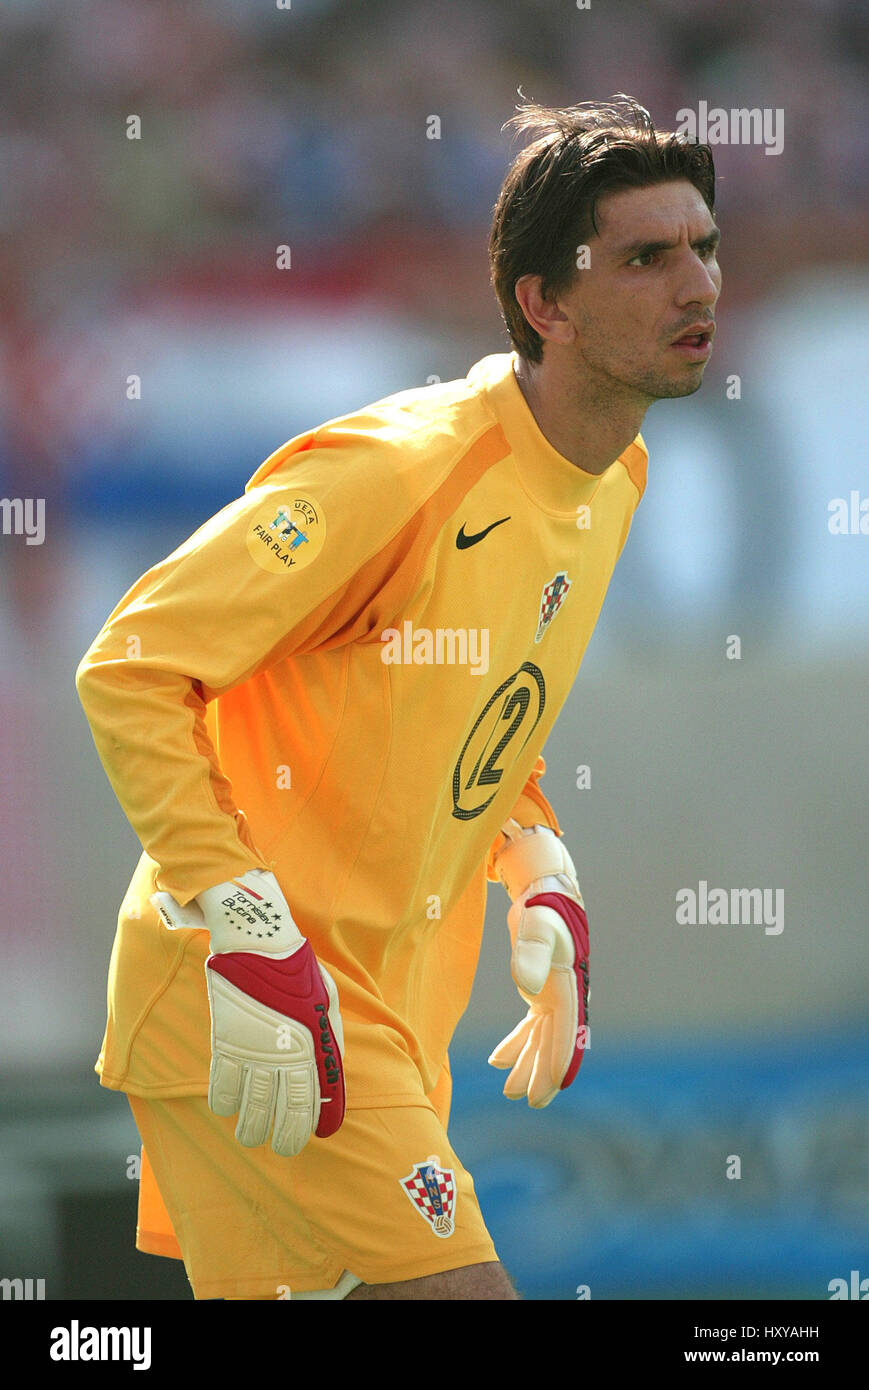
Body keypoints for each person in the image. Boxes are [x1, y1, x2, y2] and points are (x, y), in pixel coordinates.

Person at [76, 95, 721, 1302]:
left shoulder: (611, 475)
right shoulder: (401, 472)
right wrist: (244, 925)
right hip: (253, 991)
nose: (695, 284)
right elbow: (131, 665)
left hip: (368, 1015)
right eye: (646, 257)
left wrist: (536, 864)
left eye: (702, 247)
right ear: (546, 303)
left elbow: (483, 725)